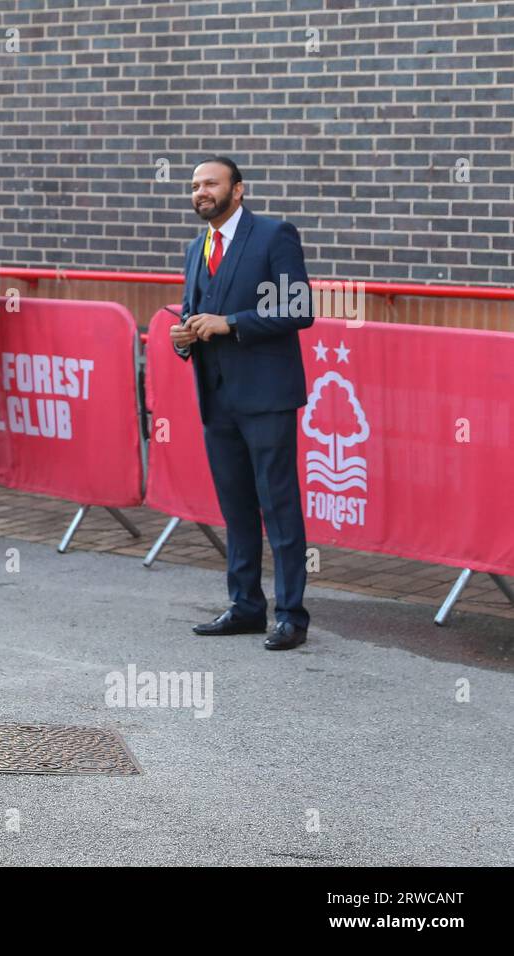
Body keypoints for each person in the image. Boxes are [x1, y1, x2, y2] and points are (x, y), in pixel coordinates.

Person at [171, 156, 314, 651]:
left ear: (238, 190)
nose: (200, 192)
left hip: (267, 396)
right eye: (194, 186)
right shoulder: (196, 247)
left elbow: (298, 308)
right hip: (217, 398)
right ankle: (246, 606)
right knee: (235, 507)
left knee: (279, 505)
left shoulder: (275, 235)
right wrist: (183, 336)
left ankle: (292, 614)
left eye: (211, 183)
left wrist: (230, 323)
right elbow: (196, 314)